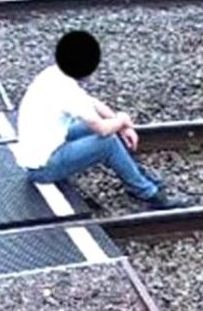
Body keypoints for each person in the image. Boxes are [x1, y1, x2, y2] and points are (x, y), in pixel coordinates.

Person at [14, 31, 186, 210]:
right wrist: (122, 120)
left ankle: (137, 176)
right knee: (107, 143)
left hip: (45, 149)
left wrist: (121, 124)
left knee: (105, 128)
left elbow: (91, 103)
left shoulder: (54, 75)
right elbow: (102, 130)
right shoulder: (66, 90)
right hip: (42, 169)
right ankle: (146, 192)